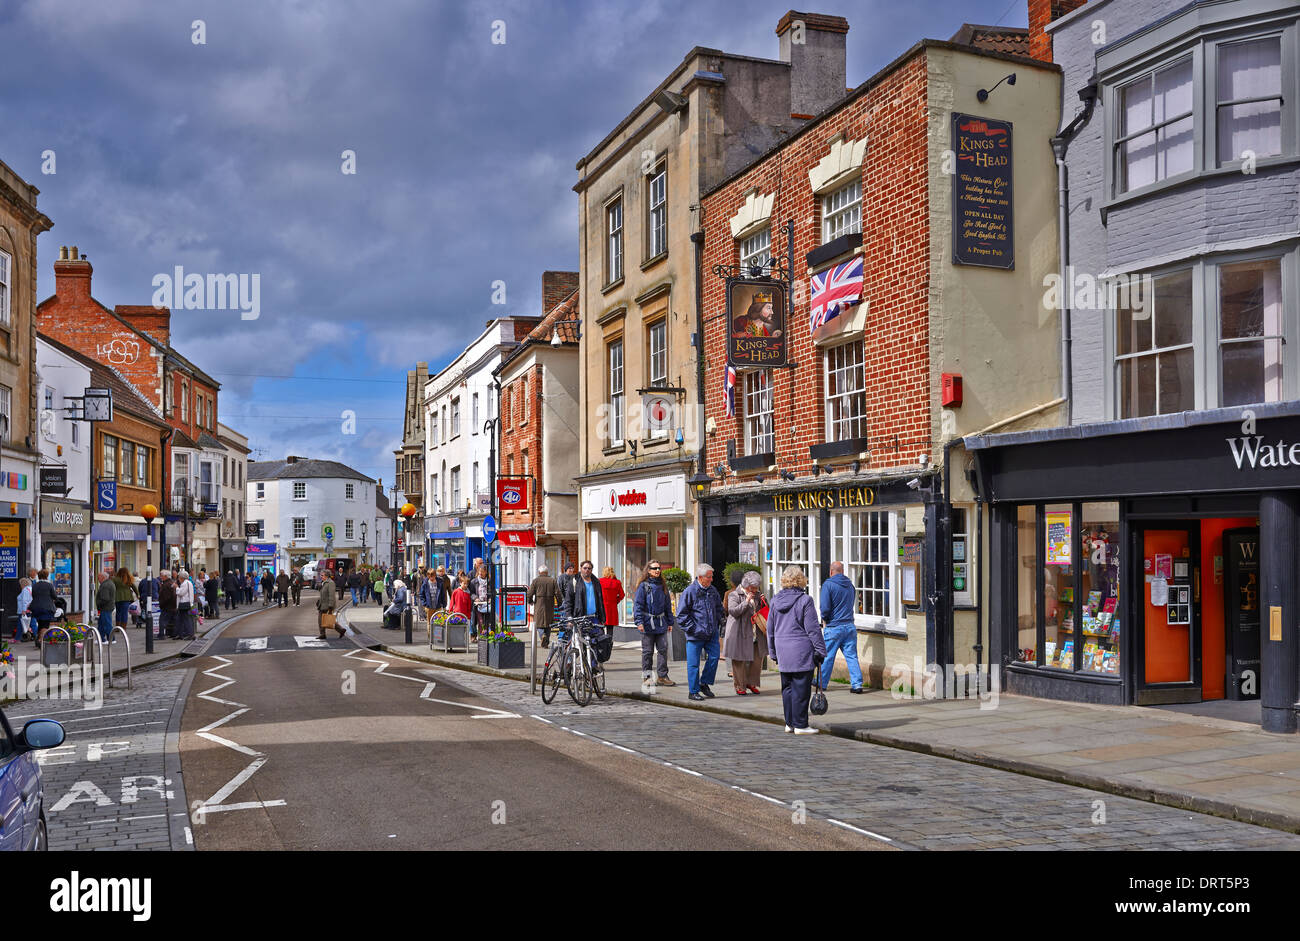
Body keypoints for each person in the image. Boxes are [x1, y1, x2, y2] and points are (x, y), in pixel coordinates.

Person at [767, 565, 827, 734]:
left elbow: (770, 629)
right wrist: (821, 650)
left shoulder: (774, 600)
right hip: (801, 650)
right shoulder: (805, 600)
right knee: (801, 687)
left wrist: (772, 651)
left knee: (787, 688)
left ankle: (789, 723)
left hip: (782, 649)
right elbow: (813, 629)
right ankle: (801, 724)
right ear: (801, 580)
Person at [676, 563, 723, 701]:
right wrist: (693, 629)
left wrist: (719, 620)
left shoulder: (712, 590)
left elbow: (719, 608)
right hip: (695, 635)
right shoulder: (690, 591)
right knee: (693, 664)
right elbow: (681, 615)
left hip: (711, 633)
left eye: (711, 576)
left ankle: (704, 683)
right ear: (700, 577)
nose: (711, 579)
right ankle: (693, 691)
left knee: (714, 657)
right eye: (709, 577)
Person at [819, 561, 864, 694]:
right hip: (849, 626)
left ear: (831, 572)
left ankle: (821, 683)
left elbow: (825, 608)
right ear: (843, 572)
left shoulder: (828, 584)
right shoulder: (850, 585)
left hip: (834, 627)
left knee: (827, 657)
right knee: (852, 657)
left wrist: (825, 619)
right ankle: (857, 685)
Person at [632, 560, 676, 689]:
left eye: (659, 568)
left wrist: (670, 621)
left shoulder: (663, 585)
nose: (657, 570)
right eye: (654, 568)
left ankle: (662, 676)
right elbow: (638, 605)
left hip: (661, 623)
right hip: (647, 624)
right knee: (647, 652)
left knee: (663, 650)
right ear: (648, 570)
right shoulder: (643, 586)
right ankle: (647, 677)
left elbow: (668, 605)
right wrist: (639, 622)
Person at [724, 570, 768, 695]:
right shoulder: (734, 595)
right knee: (739, 660)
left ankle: (752, 683)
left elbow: (764, 612)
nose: (755, 590)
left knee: (757, 660)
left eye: (757, 587)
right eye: (753, 588)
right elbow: (733, 611)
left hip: (755, 632)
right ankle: (740, 686)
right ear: (746, 586)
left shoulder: (758, 594)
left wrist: (764, 602)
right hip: (739, 632)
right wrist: (746, 601)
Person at [527, 564, 558, 648]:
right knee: (548, 624)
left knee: (539, 624)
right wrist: (560, 603)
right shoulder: (552, 580)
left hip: (539, 604)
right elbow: (557, 593)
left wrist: (530, 601)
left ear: (539, 572)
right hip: (549, 604)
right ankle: (546, 639)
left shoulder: (535, 581)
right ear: (547, 572)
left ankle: (542, 636)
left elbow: (529, 593)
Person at [29, 571, 57, 645]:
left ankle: (38, 639)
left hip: (36, 608)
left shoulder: (34, 585)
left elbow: (33, 596)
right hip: (47, 608)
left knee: (40, 624)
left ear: (39, 576)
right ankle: (41, 640)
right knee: (45, 624)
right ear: (47, 576)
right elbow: (54, 596)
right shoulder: (49, 585)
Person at [468, 562, 492, 641]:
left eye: (482, 571)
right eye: (479, 571)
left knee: (486, 621)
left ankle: (484, 636)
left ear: (486, 572)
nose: (481, 573)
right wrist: (475, 598)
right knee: (479, 621)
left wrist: (490, 598)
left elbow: (492, 592)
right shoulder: (474, 581)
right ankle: (478, 636)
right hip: (477, 605)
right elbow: (471, 593)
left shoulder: (490, 582)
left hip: (487, 605)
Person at [316, 573, 345, 639]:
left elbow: (331, 595)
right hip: (322, 604)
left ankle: (323, 634)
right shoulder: (324, 582)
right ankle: (340, 630)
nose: (321, 576)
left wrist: (331, 606)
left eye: (322, 575)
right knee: (325, 619)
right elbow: (322, 594)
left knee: (323, 619)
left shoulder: (331, 583)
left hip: (327, 604)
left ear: (326, 576)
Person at [598, 565, 624, 638]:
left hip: (602, 607)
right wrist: (616, 601)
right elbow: (622, 595)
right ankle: (609, 644)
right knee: (610, 628)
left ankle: (601, 643)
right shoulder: (617, 582)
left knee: (600, 627)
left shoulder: (600, 581)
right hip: (612, 607)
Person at [113, 567, 137, 632]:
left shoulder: (115, 579)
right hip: (126, 598)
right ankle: (123, 627)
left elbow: (112, 587)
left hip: (117, 598)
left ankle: (117, 627)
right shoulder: (129, 579)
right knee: (124, 613)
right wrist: (137, 595)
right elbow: (134, 587)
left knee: (118, 612)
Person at [95, 571, 117, 642]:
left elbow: (105, 598)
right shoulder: (109, 583)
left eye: (99, 577)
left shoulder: (105, 585)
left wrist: (99, 604)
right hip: (107, 607)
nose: (98, 579)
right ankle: (101, 639)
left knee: (107, 624)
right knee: (101, 624)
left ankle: (111, 639)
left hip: (105, 608)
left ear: (103, 577)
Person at [174, 569, 196, 640]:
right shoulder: (188, 583)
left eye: (179, 577)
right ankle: (181, 634)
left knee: (186, 620)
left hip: (184, 604)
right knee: (181, 619)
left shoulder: (185, 584)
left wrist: (176, 587)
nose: (178, 579)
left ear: (181, 578)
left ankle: (190, 634)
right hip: (187, 603)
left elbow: (181, 593)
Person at [158, 572, 177, 639]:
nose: (161, 577)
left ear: (166, 576)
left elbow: (166, 597)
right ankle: (173, 633)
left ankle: (161, 634)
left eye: (162, 576)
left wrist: (161, 604)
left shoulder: (166, 585)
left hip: (167, 606)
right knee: (172, 620)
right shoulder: (171, 583)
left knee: (162, 620)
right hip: (173, 605)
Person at [14, 577, 32, 641]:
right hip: (28, 610)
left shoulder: (25, 590)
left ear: (23, 584)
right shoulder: (30, 589)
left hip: (23, 611)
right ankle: (18, 638)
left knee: (20, 625)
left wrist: (24, 610)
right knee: (27, 625)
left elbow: (25, 601)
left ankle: (17, 639)